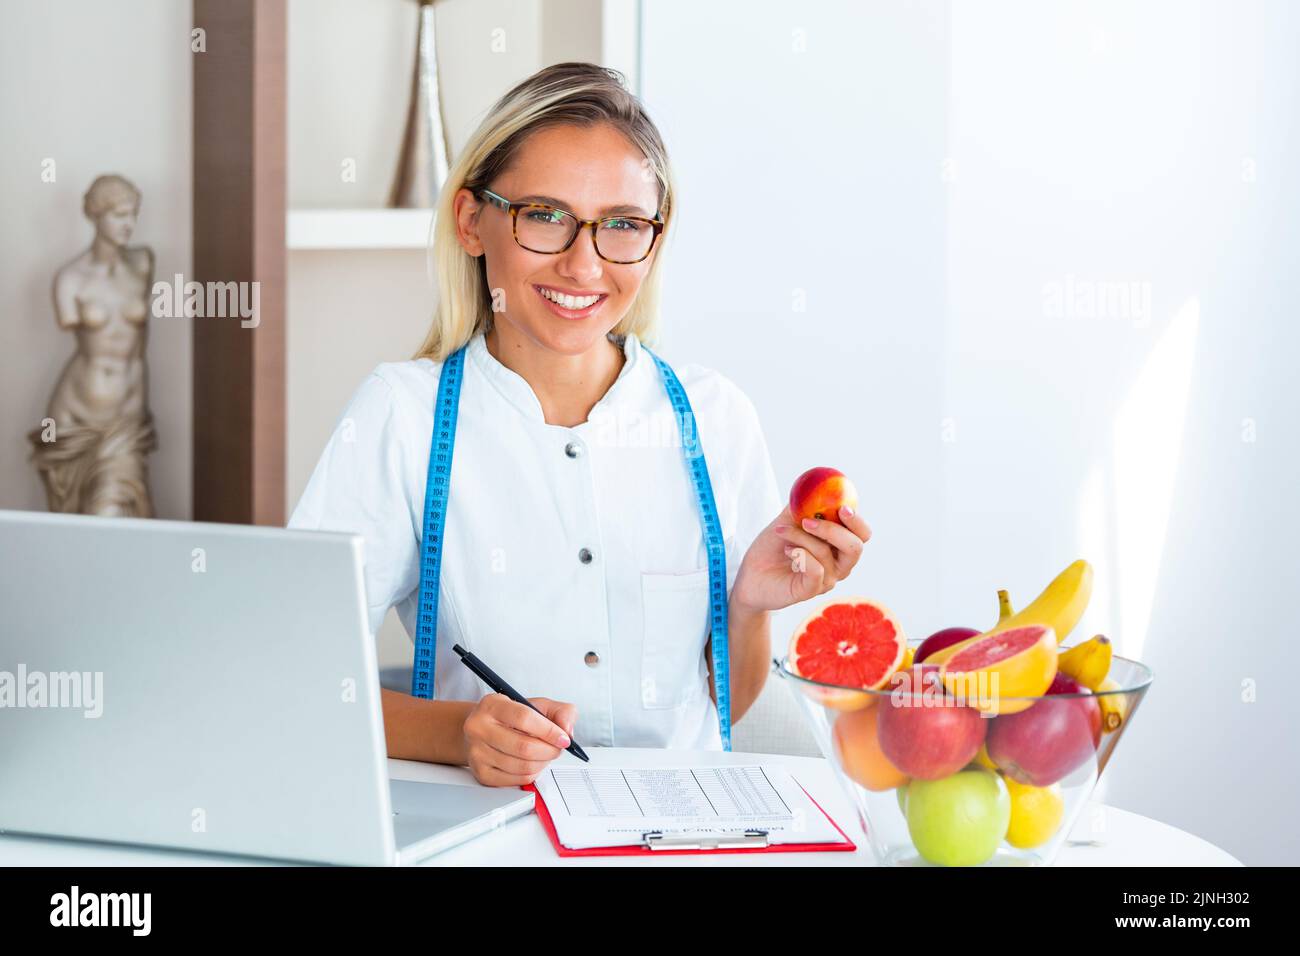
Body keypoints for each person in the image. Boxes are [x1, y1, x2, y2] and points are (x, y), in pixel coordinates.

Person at [289, 62, 871, 786]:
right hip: (485, 834)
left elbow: (730, 703)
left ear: (652, 242)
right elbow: (296, 675)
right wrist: (458, 734)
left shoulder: (715, 418)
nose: (583, 263)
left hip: (678, 836)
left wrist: (747, 607)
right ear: (473, 222)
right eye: (545, 216)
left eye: (621, 226)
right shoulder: (403, 416)